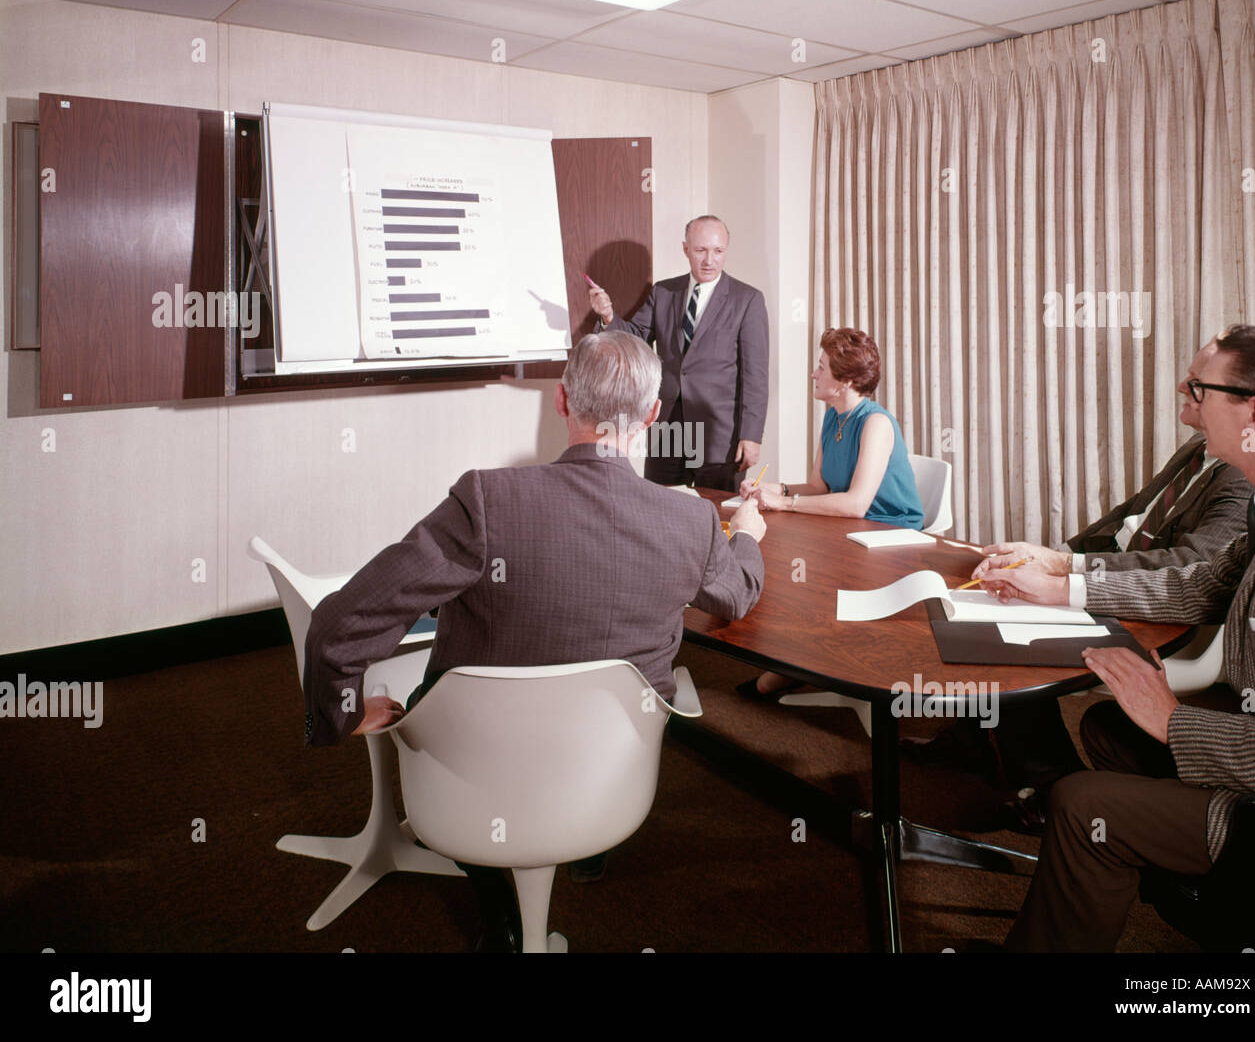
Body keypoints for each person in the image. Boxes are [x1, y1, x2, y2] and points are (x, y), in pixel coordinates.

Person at [301, 330, 768, 947]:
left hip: (471, 774)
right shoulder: (691, 522)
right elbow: (736, 597)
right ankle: (582, 847)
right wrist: (748, 534)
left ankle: (498, 906)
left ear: (563, 400)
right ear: (654, 415)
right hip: (611, 781)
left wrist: (342, 715)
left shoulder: (488, 502)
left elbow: (340, 625)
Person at [977, 325, 1255, 952]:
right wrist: (1062, 586)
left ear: (1254, 411)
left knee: (1080, 802)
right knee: (1112, 730)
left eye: (1203, 390)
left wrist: (1176, 722)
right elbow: (1203, 582)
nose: (1190, 401)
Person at [925, 341, 1251, 831]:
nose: (1182, 387)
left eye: (1197, 384)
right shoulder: (1198, 448)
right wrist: (1050, 554)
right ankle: (975, 737)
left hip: (1149, 606)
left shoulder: (1244, 476)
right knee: (982, 597)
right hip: (1105, 576)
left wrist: (1063, 573)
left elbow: (1192, 567)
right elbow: (1128, 516)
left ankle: (1051, 785)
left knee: (1010, 634)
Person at [734, 328, 924, 699]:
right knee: (789, 558)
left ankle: (815, 664)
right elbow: (820, 487)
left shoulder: (876, 423)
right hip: (853, 531)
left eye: (821, 368)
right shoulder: (832, 417)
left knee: (806, 566)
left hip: (892, 539)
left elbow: (855, 503)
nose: (813, 374)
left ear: (846, 381)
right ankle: (798, 659)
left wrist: (786, 504)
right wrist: (776, 489)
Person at [588, 215, 768, 490]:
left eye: (718, 251)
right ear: (686, 249)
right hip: (669, 425)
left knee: (718, 516)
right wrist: (608, 316)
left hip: (720, 433)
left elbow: (756, 376)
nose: (709, 260)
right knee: (659, 510)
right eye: (700, 250)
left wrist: (751, 436)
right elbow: (635, 338)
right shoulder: (663, 292)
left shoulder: (748, 300)